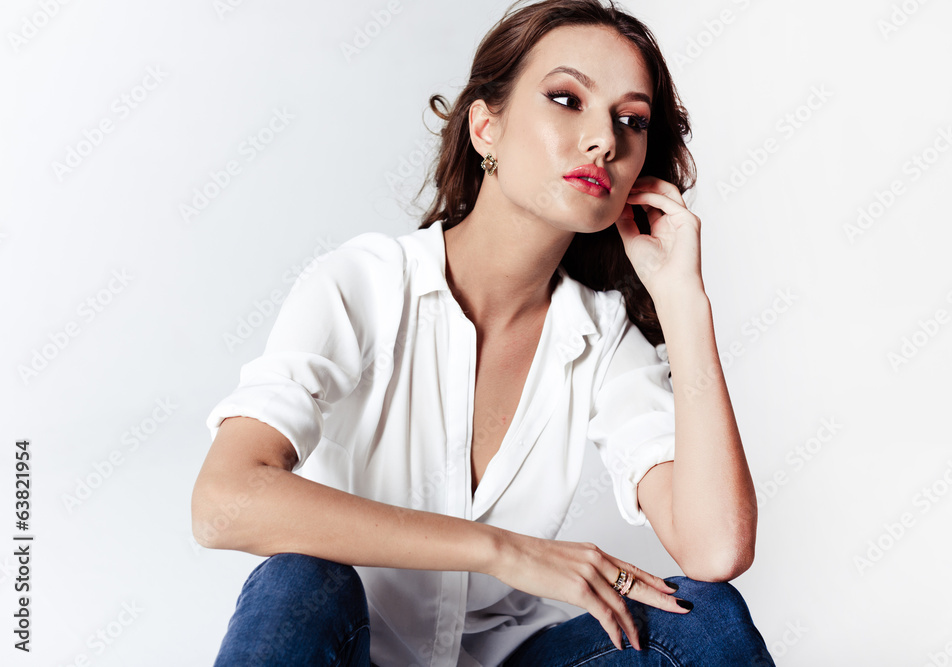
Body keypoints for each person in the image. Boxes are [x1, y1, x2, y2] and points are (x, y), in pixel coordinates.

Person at [191, 0, 775, 664]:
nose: (604, 139)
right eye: (566, 98)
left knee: (706, 620)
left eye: (630, 120)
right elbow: (223, 500)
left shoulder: (601, 335)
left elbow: (715, 548)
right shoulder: (363, 284)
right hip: (347, 649)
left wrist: (683, 299)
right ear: (485, 126)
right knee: (297, 579)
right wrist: (501, 549)